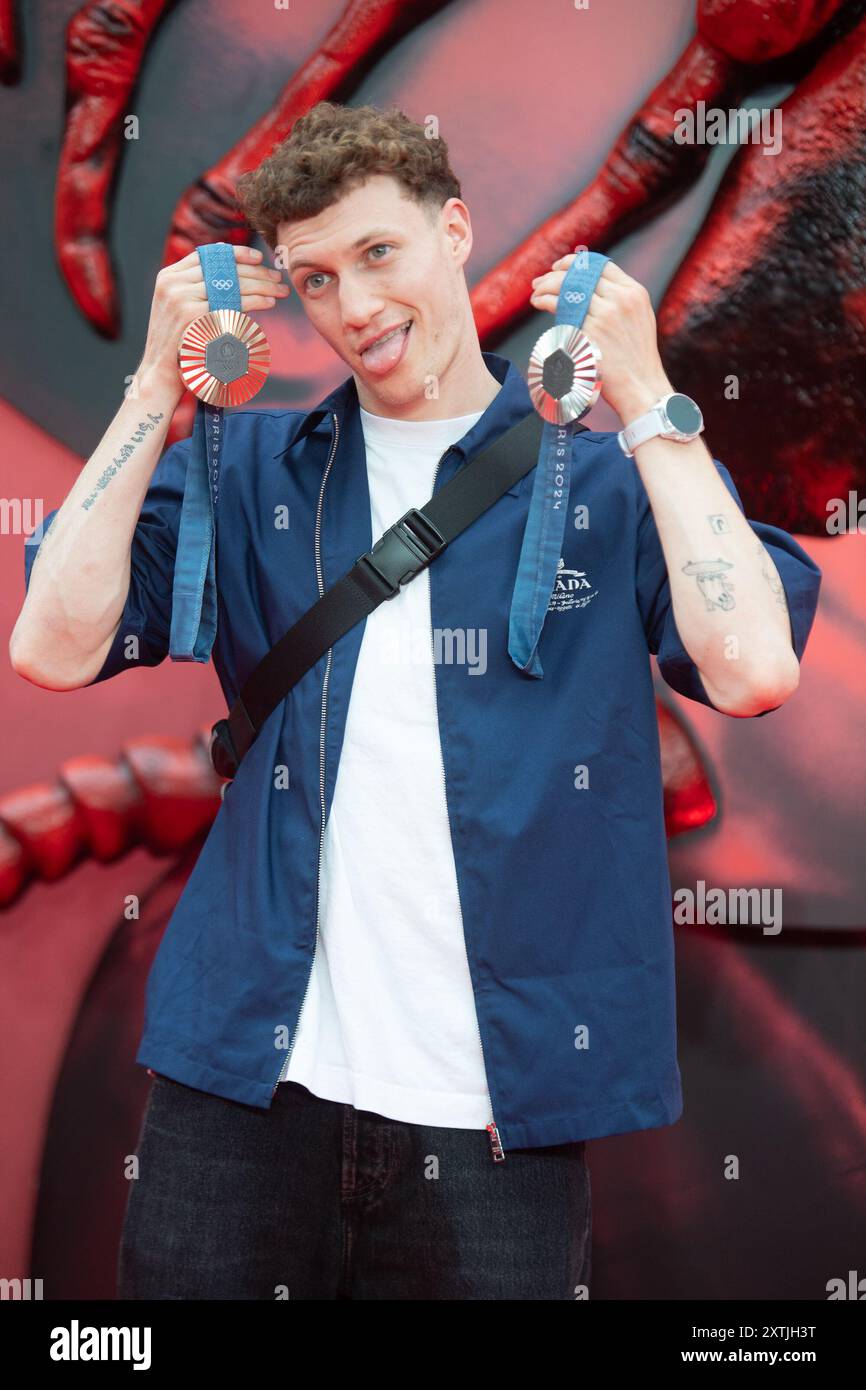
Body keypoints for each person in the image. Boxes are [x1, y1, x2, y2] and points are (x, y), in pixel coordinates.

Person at [11, 102, 821, 1300]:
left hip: (495, 1107)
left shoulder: (606, 481)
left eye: (377, 254)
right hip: (239, 1093)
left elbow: (753, 667)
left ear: (453, 228)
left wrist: (647, 398)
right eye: (316, 278)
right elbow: (52, 647)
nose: (350, 306)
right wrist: (149, 389)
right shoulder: (252, 477)